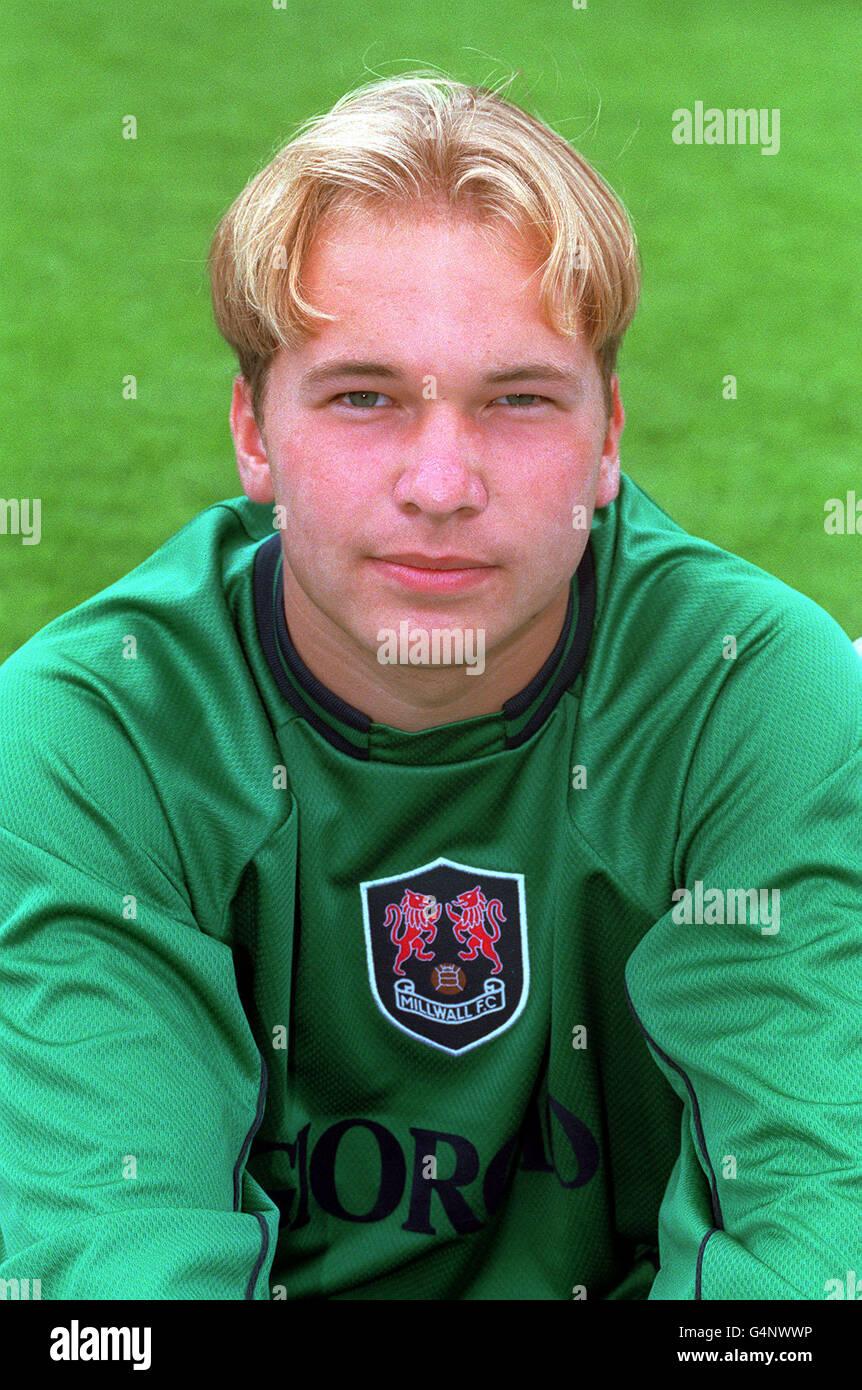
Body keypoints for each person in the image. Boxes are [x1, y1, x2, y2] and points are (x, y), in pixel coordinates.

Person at [0, 72, 859, 1302]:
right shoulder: (92, 733)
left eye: (517, 400)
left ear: (607, 438)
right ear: (253, 431)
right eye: (364, 397)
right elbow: (109, 1297)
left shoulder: (750, 697)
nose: (442, 483)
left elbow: (815, 1263)